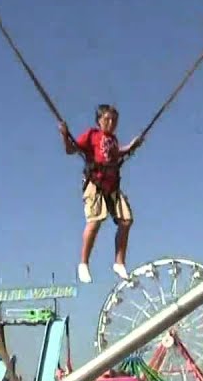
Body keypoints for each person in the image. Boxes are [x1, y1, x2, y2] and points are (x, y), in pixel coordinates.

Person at [60, 104, 143, 284]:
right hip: (96, 183)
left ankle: (119, 262)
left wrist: (131, 146)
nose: (111, 123)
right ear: (99, 121)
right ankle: (83, 263)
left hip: (112, 185)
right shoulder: (92, 135)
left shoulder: (113, 139)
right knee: (95, 220)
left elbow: (117, 153)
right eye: (107, 119)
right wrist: (64, 135)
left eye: (114, 120)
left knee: (126, 220)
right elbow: (71, 149)